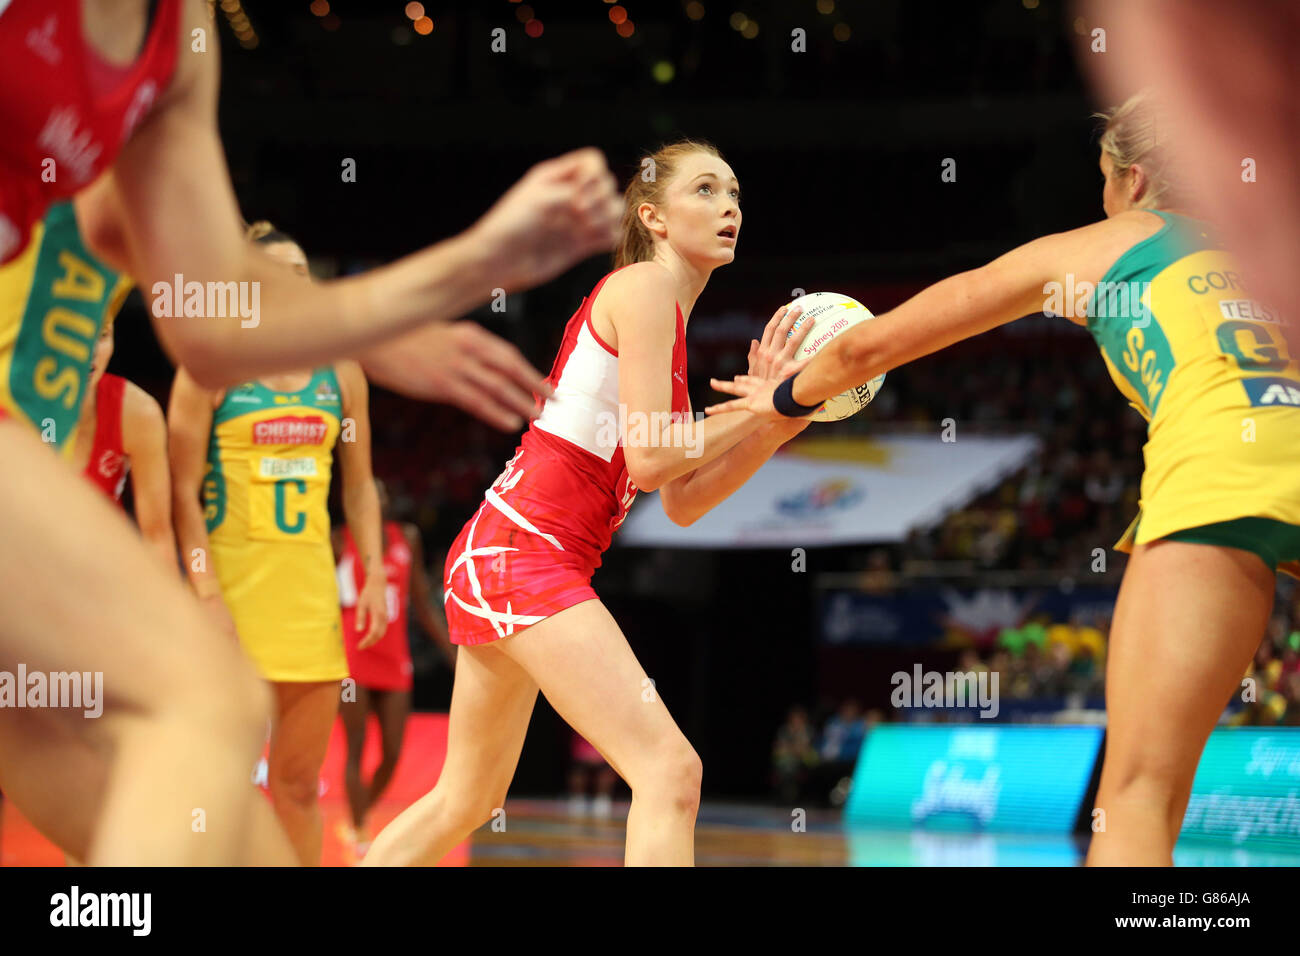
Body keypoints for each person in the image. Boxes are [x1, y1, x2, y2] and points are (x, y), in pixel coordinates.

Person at [0, 0, 619, 864]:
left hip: (247, 569)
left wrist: (469, 268)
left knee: (248, 839)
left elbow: (207, 308)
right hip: (122, 517)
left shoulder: (178, 38)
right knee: (201, 700)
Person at [707, 91, 1300, 866]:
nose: (1103, 196)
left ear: (1139, 180)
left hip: (1222, 465)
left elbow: (863, 351)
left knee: (1139, 794)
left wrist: (785, 397)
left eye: (1104, 178)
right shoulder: (1268, 251)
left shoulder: (1103, 246)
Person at [364, 141, 812, 866]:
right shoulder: (644, 290)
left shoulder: (661, 313)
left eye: (733, 192)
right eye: (704, 190)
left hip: (507, 553)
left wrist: (778, 420)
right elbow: (656, 453)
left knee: (466, 799)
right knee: (670, 771)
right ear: (652, 216)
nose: (729, 205)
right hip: (521, 554)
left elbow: (684, 501)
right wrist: (777, 400)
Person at [169, 226, 390, 865]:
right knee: (217, 784)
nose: (293, 283)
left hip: (308, 600)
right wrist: (204, 591)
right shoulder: (208, 367)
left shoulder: (341, 372)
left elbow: (358, 489)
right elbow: (183, 494)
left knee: (296, 784)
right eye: (276, 272)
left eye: (302, 270)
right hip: (230, 595)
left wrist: (371, 572)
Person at [333, 478, 457, 859]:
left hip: (393, 656)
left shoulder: (407, 537)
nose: (378, 500)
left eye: (383, 493)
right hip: (352, 656)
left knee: (392, 751)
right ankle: (358, 831)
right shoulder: (339, 539)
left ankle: (359, 811)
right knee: (355, 747)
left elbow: (420, 600)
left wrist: (454, 652)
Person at [75, 318, 176, 568]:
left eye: (102, 335)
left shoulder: (137, 412)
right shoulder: (11, 405)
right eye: (77, 334)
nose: (91, 350)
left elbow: (157, 537)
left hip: (103, 576)